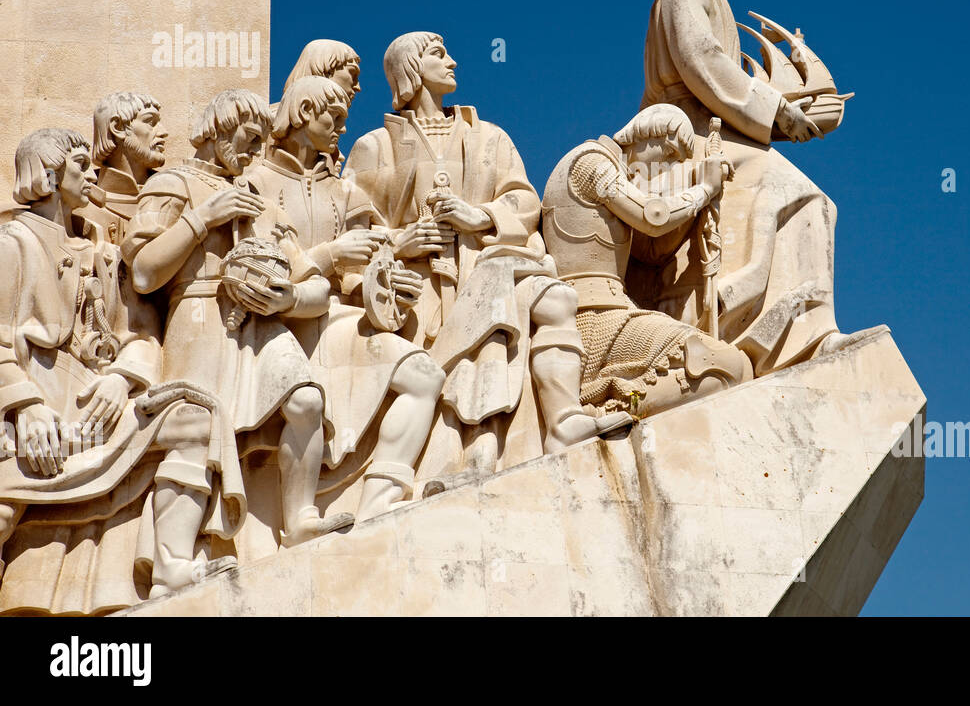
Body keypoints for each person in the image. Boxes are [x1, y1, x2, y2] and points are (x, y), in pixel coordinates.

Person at [344, 32, 631, 481]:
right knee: (481, 334)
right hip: (419, 290)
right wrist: (403, 241)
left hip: (490, 265)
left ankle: (563, 419)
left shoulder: (490, 136)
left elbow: (524, 201)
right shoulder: (373, 146)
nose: (454, 62)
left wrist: (479, 215)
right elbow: (350, 232)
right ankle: (468, 458)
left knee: (554, 300)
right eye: (440, 54)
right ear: (413, 68)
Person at [634, 0, 867, 374]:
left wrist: (784, 106)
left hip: (718, 129)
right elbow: (702, 61)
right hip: (689, 137)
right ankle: (796, 339)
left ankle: (792, 329)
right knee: (802, 198)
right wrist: (776, 111)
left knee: (809, 202)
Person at [0, 128, 237, 613]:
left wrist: (123, 375)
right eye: (79, 164)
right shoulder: (12, 242)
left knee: (197, 421)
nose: (91, 174)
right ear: (48, 175)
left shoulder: (104, 253)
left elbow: (141, 333)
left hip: (97, 409)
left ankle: (172, 566)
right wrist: (24, 408)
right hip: (37, 413)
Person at [123, 90, 353, 548]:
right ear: (220, 128)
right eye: (248, 140)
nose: (252, 156)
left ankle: (301, 516)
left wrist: (287, 298)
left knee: (307, 402)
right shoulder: (172, 184)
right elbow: (145, 272)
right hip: (199, 318)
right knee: (197, 430)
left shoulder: (259, 202)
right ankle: (176, 558)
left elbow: (316, 285)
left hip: (263, 322)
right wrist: (203, 218)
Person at [248, 76, 445, 521]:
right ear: (302, 115)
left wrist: (391, 288)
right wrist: (331, 255)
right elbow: (261, 266)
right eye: (332, 118)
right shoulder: (255, 181)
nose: (341, 129)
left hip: (338, 320)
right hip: (282, 325)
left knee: (424, 375)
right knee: (306, 406)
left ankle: (382, 498)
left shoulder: (345, 191)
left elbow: (364, 270)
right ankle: (299, 516)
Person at [541, 104, 752, 417]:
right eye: (669, 153)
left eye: (675, 161)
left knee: (733, 368)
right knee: (726, 365)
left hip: (610, 312)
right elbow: (652, 217)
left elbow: (654, 244)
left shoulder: (608, 168)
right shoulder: (590, 162)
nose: (666, 168)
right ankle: (613, 411)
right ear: (647, 135)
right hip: (594, 317)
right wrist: (704, 189)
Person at [84, 91, 170, 245]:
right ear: (117, 127)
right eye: (150, 122)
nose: (163, 132)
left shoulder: (172, 197)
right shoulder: (80, 202)